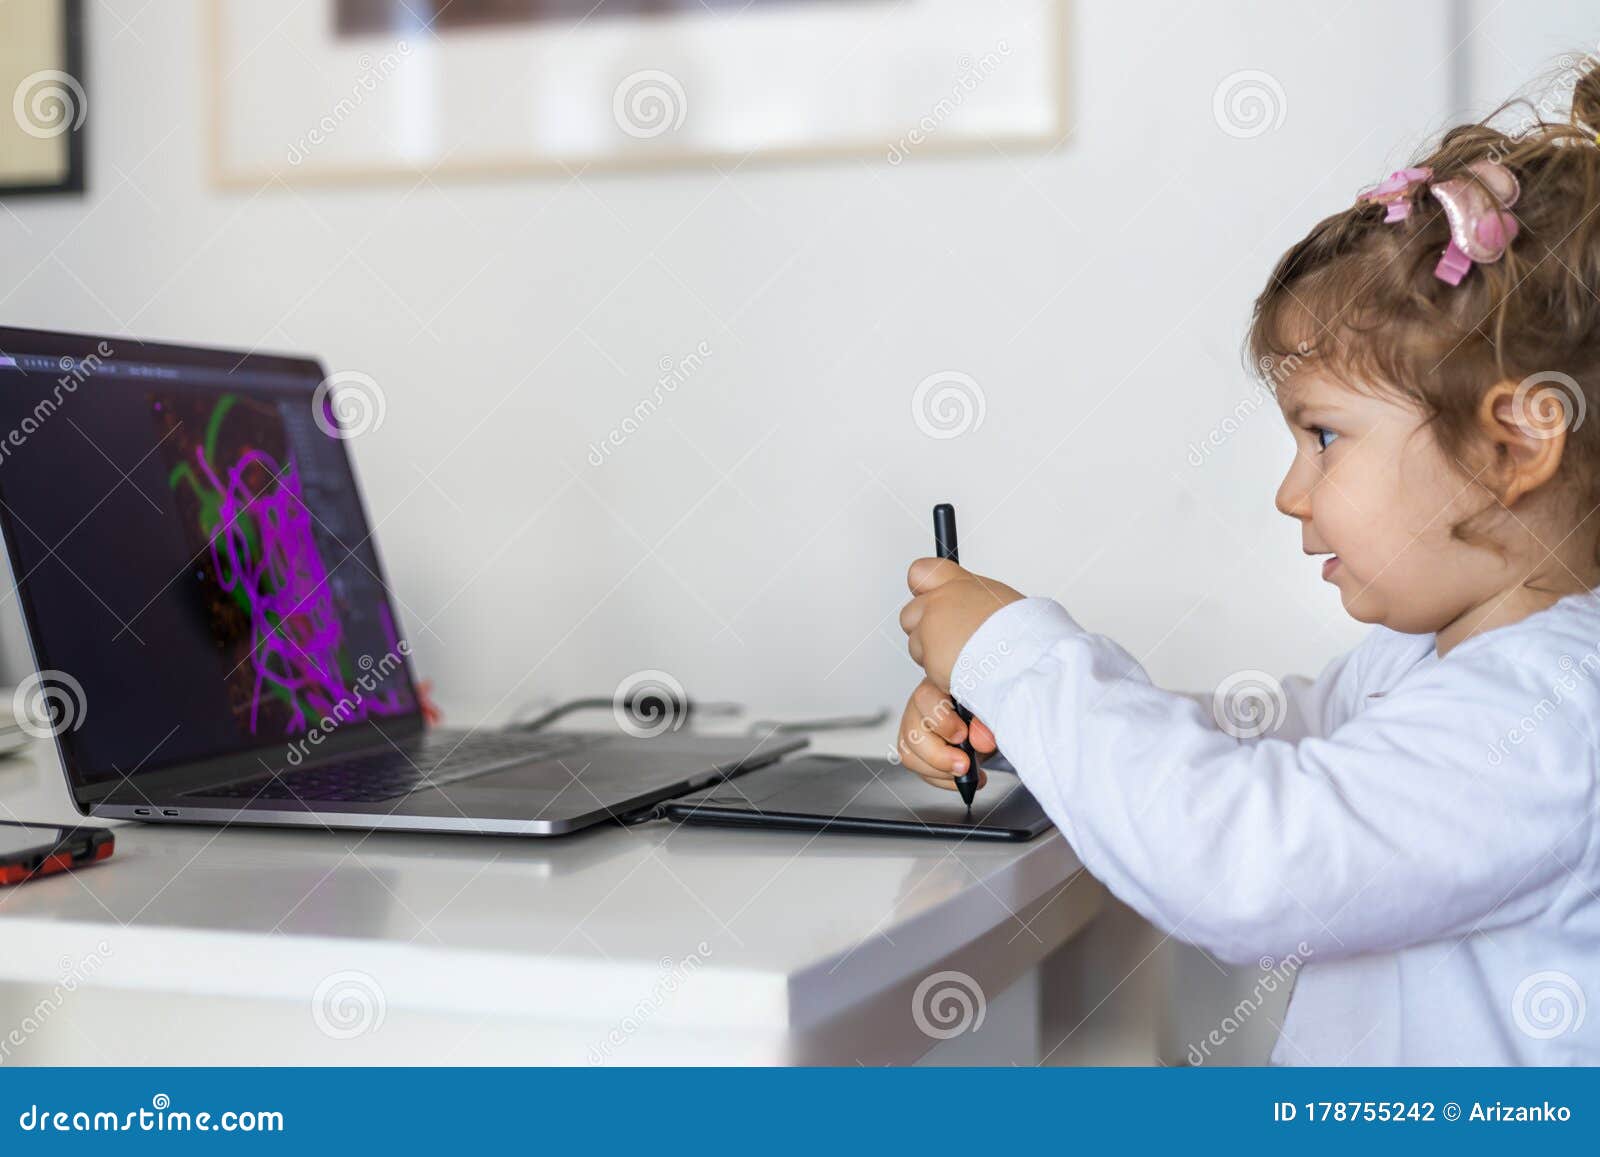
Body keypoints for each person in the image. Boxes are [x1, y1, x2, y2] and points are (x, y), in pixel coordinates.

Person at [896, 60, 1600, 1065]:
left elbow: (1242, 859)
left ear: (1513, 446)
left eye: (1324, 436)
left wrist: (1019, 658)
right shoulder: (1433, 660)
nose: (1291, 490)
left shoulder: (1548, 724)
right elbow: (1266, 745)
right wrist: (1020, 721)